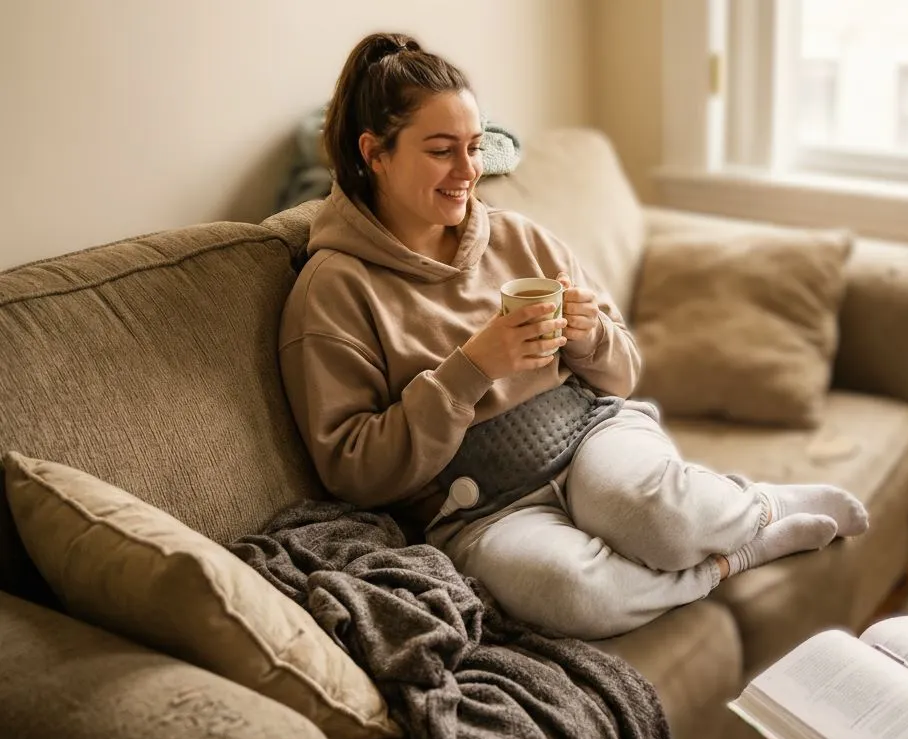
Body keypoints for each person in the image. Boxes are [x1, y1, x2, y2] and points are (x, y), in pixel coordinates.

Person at [278, 32, 869, 640]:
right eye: (441, 150)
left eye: (475, 148)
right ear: (375, 153)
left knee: (663, 521)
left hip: (590, 433)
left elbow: (624, 373)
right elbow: (353, 471)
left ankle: (760, 507)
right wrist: (471, 368)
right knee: (576, 594)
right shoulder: (333, 290)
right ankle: (736, 554)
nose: (468, 172)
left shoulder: (521, 239)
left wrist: (591, 338)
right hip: (480, 507)